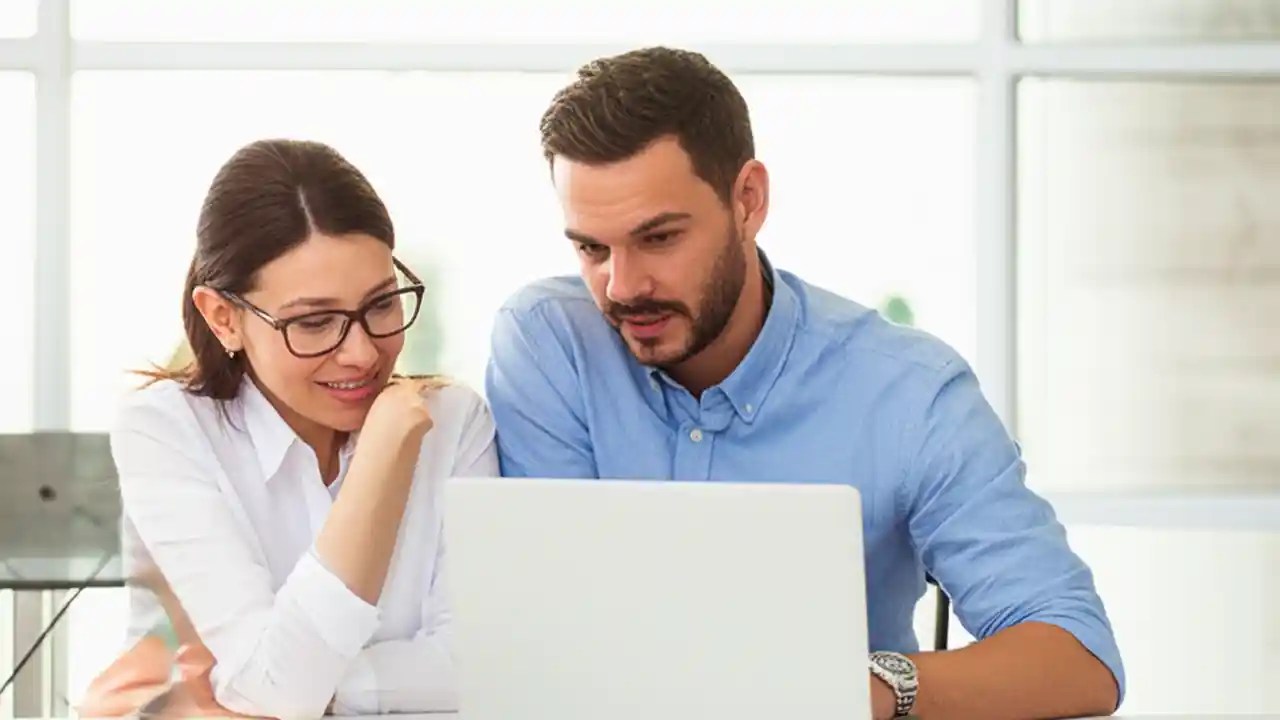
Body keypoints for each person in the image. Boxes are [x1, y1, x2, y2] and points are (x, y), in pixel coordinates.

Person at [486, 47, 1123, 720]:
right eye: (591, 248)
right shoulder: (550, 346)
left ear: (748, 200)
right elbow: (551, 631)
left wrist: (857, 688)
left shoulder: (909, 394)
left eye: (660, 238)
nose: (621, 286)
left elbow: (1080, 659)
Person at [106, 139, 496, 717]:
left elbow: (485, 663)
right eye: (314, 322)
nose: (362, 353)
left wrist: (320, 688)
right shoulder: (166, 430)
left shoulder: (453, 423)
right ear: (223, 318)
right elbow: (277, 687)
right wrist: (380, 462)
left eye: (382, 305)